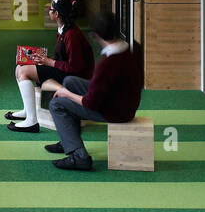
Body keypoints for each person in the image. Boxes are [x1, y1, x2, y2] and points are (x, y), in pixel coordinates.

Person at [43, 11, 144, 171]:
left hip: (116, 112)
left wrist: (64, 92)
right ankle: (68, 140)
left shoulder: (107, 64)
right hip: (126, 100)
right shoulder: (134, 49)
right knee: (70, 81)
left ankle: (79, 156)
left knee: (57, 103)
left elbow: (90, 103)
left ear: (95, 36)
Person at [5, 0, 93, 134]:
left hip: (74, 78)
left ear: (57, 14)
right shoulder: (64, 29)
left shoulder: (72, 35)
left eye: (51, 9)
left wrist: (49, 62)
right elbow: (63, 58)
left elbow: (75, 67)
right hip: (64, 71)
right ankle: (27, 111)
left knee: (23, 71)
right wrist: (45, 61)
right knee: (20, 67)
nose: (48, 10)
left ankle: (32, 121)